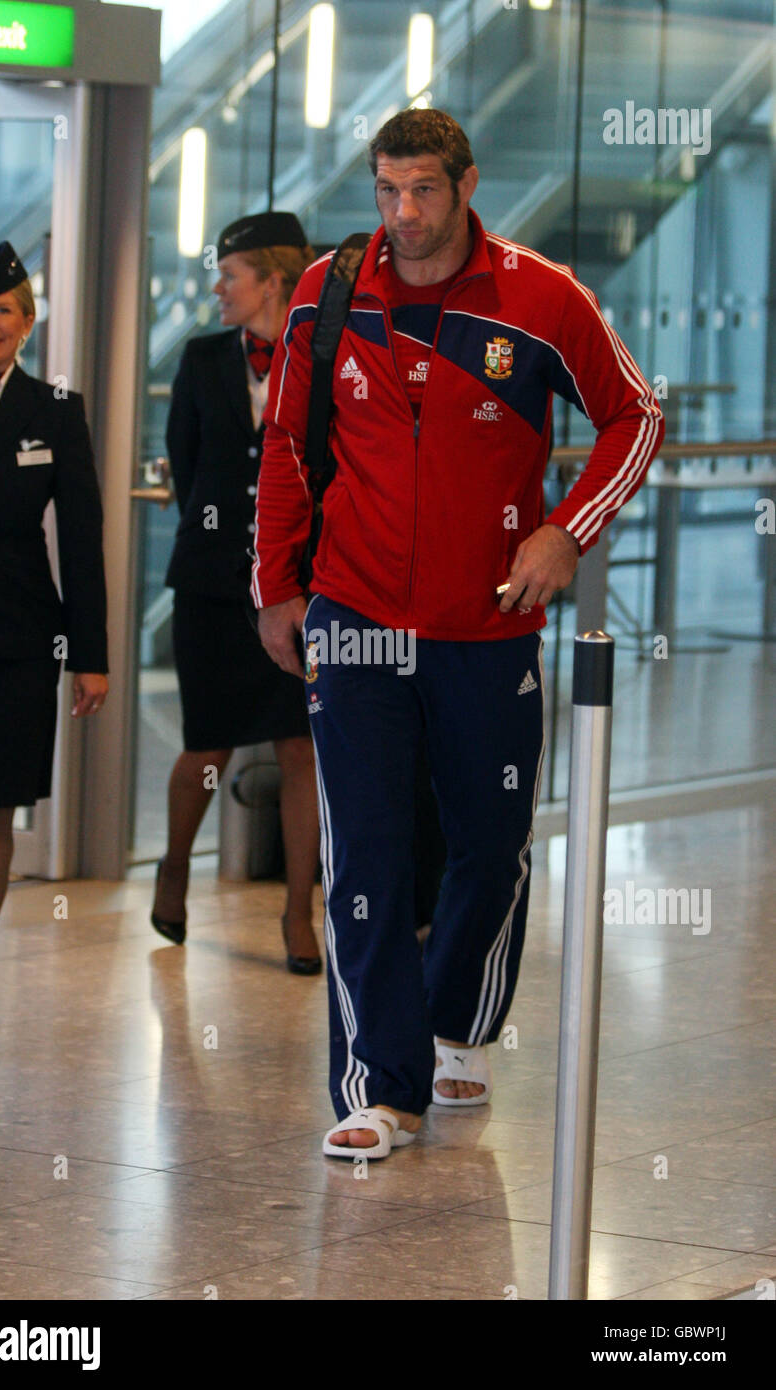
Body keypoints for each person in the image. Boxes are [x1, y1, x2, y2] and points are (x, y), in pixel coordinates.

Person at [253, 109, 664, 1158]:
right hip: (352, 618)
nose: (402, 214)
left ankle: (456, 1020)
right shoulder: (326, 295)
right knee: (369, 854)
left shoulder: (535, 295)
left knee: (488, 845)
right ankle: (377, 1087)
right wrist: (276, 585)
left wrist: (564, 530)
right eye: (385, 191)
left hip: (486, 622)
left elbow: (635, 414)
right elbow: (289, 454)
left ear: (466, 184)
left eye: (423, 191)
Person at [151, 212, 323, 974]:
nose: (217, 288)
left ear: (274, 281)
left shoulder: (324, 355)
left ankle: (297, 912)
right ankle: (174, 865)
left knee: (300, 748)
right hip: (215, 588)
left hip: (300, 589)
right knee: (206, 744)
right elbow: (185, 468)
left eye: (231, 275)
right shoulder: (202, 358)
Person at [0, 241, 108, 1060]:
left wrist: (91, 651)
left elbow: (81, 539)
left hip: (14, 643)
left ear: (27, 321)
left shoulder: (53, 411)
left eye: (2, 310)